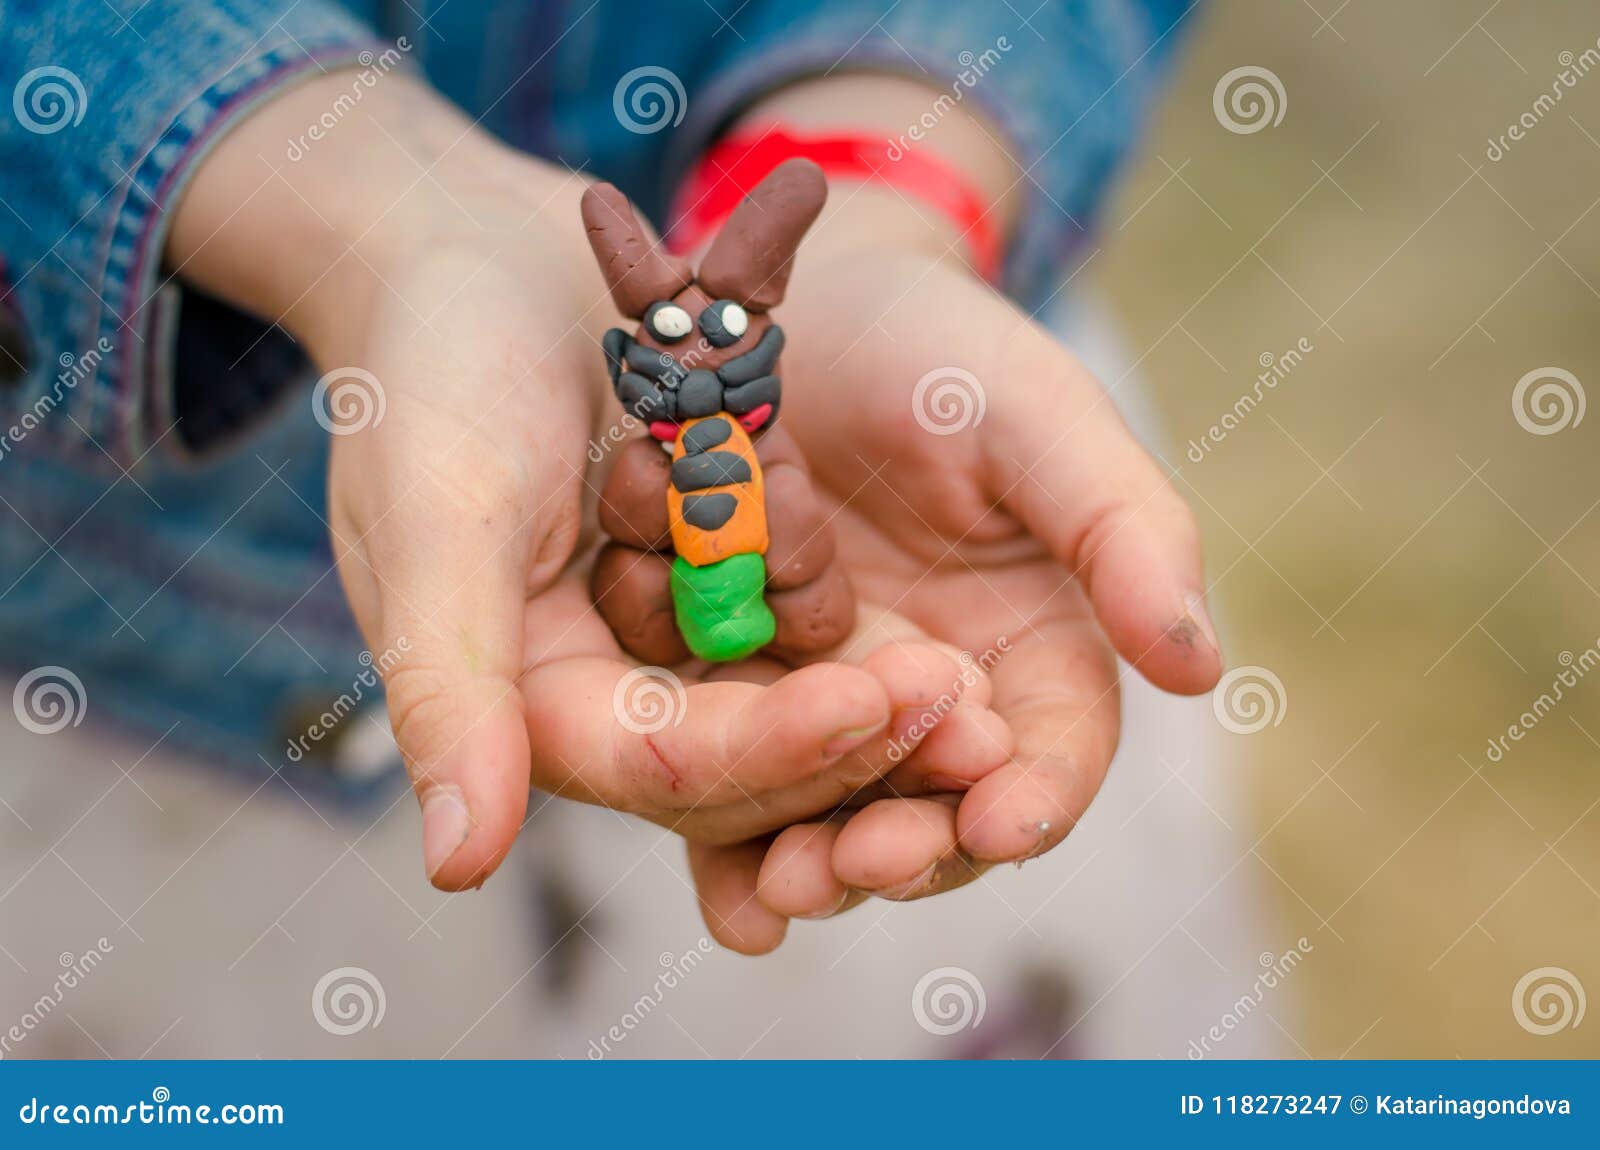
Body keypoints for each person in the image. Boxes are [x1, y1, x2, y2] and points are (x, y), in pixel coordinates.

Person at [0, 0, 1219, 954]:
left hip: (897, 396)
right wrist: (366, 208)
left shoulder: (763, 442)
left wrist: (886, 184)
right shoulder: (651, 459)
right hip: (135, 668)